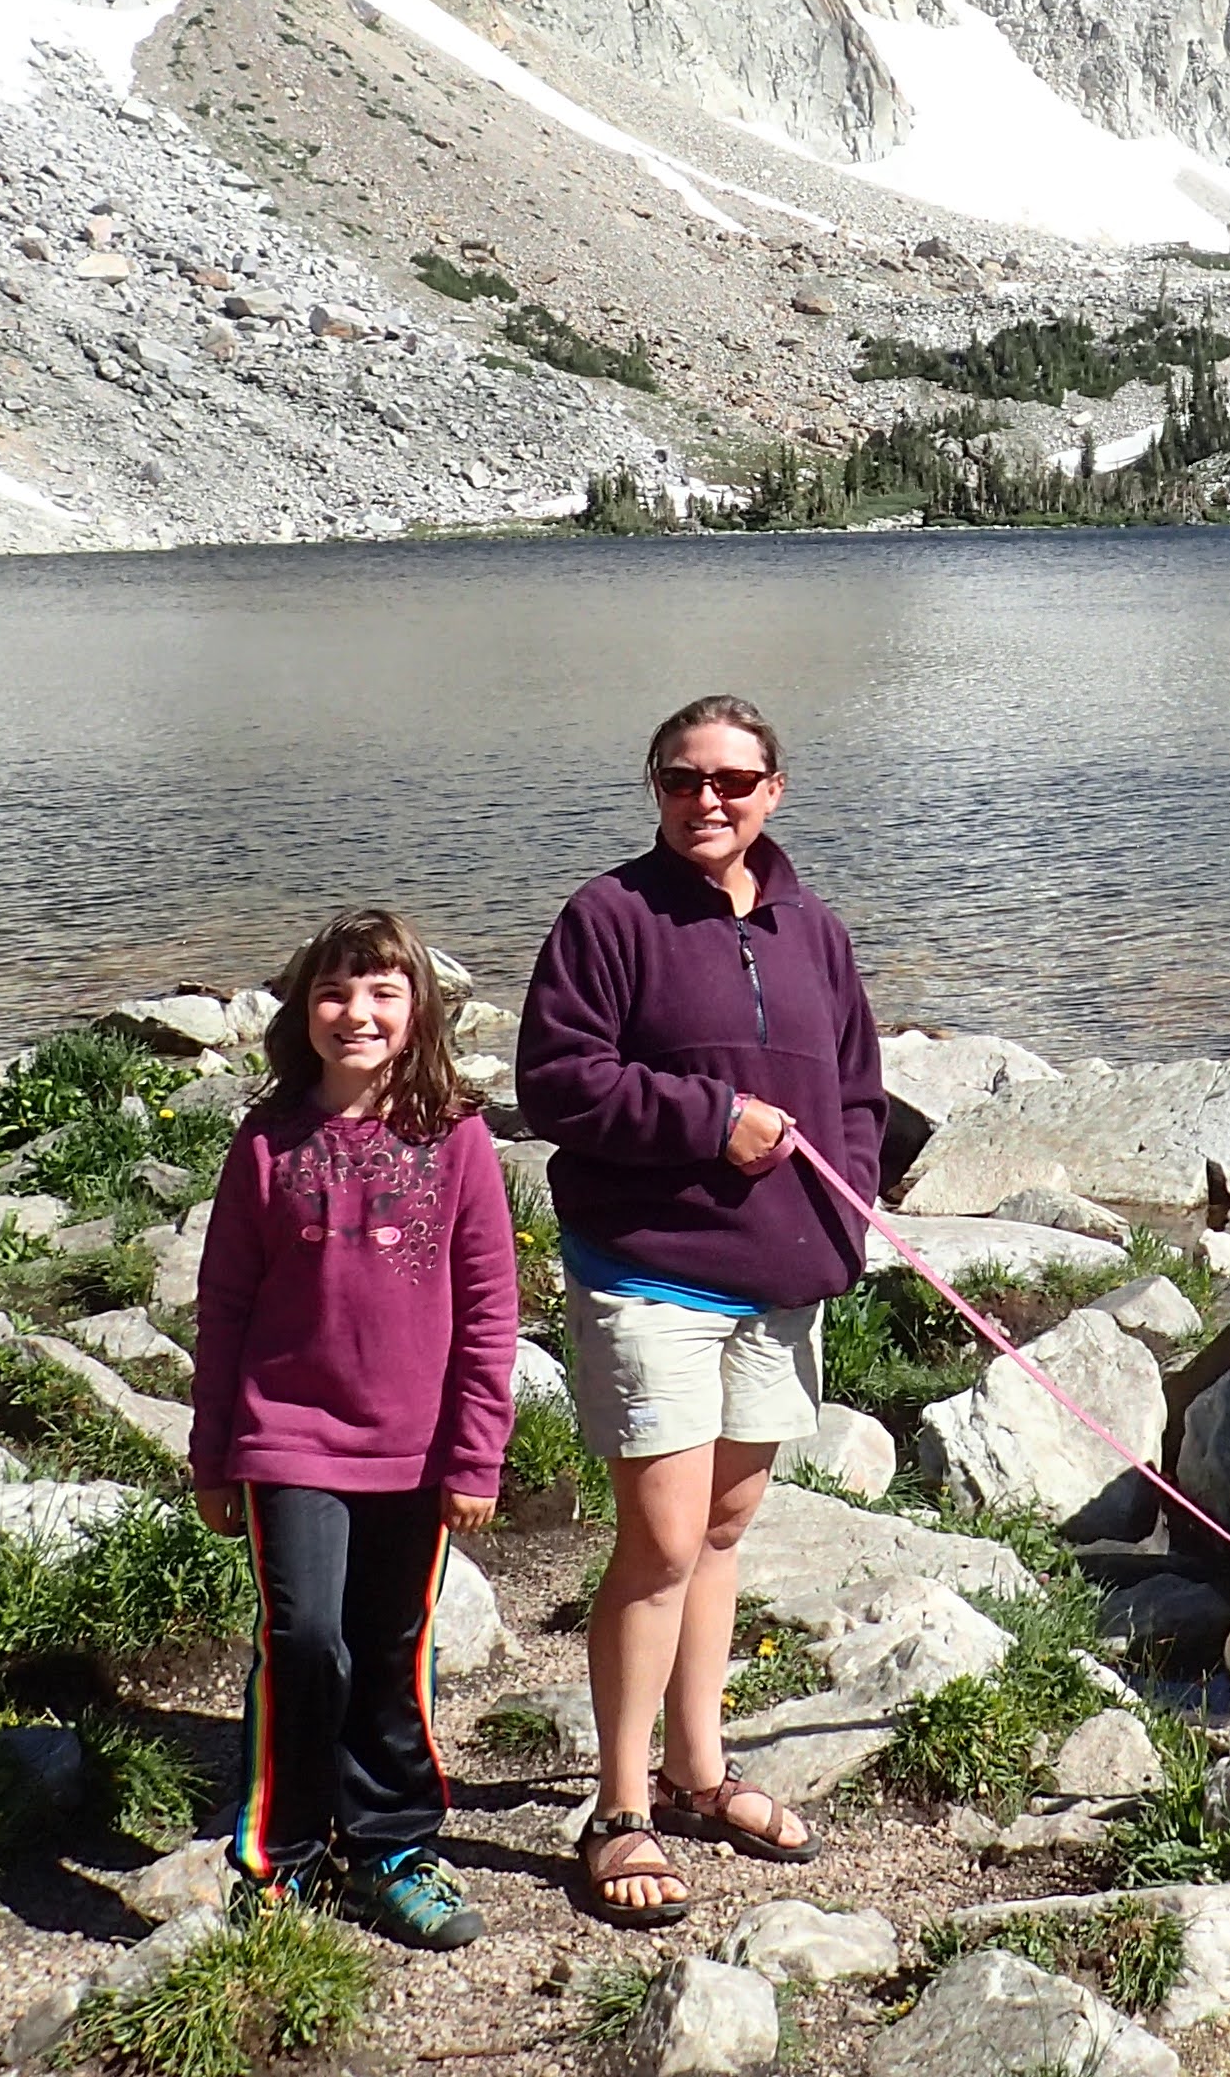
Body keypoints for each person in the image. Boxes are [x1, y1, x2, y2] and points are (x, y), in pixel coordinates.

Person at [519, 694, 890, 1927]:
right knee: (665, 1537)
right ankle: (620, 1811)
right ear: (656, 789)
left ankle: (697, 1772)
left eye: (734, 780)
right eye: (684, 780)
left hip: (779, 1279)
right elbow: (561, 1084)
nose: (708, 800)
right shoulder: (606, 918)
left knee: (724, 1532)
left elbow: (856, 1098)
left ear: (775, 790)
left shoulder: (813, 930)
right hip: (649, 1266)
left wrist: (845, 1227)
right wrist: (706, 1121)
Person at [188, 907, 518, 1952]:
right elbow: (226, 1304)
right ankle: (277, 1858)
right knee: (304, 1641)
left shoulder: (457, 1137)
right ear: (303, 1012)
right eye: (334, 992)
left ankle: (390, 1847)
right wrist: (212, 1456)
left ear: (418, 1008)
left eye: (381, 992)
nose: (356, 1013)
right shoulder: (267, 1141)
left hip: (415, 1449)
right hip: (285, 1436)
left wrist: (476, 1453)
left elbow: (490, 1308)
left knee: (389, 1645)